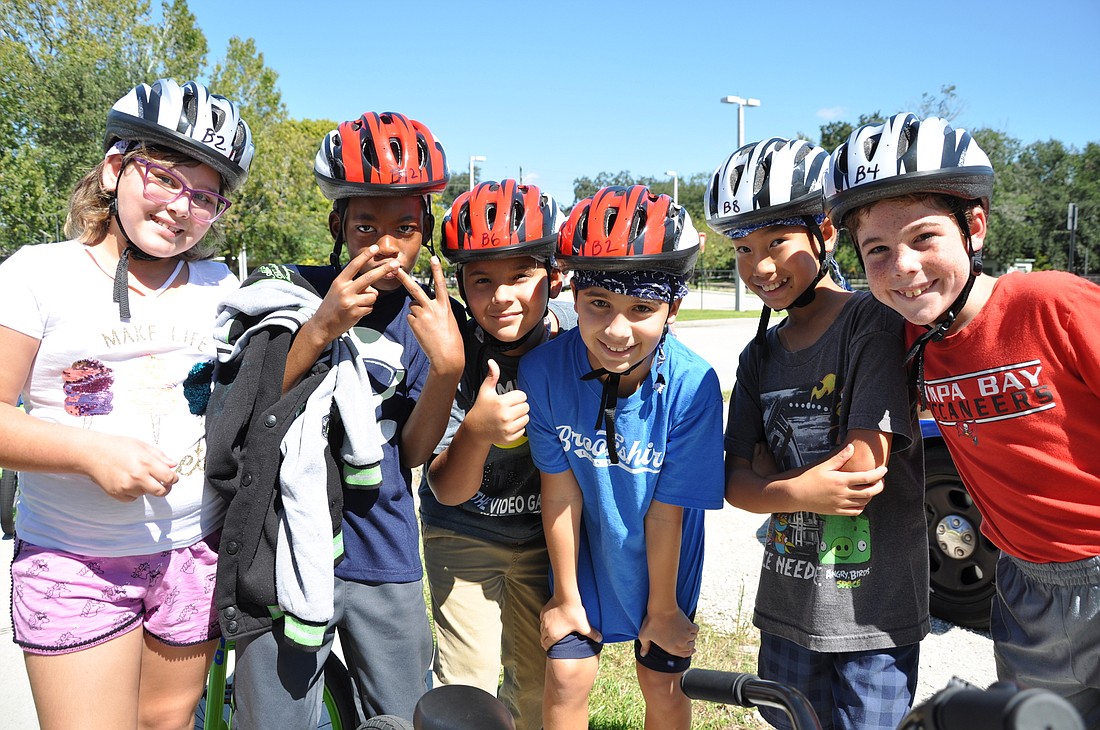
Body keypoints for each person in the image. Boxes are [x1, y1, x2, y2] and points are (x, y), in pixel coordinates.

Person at [824, 112, 1100, 726]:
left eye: (924, 237)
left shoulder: (1050, 303)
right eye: (877, 250)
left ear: (974, 227)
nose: (903, 266)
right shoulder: (912, 344)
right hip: (1024, 586)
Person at [0, 78, 253, 729]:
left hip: (193, 551)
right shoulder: (37, 275)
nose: (181, 207)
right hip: (73, 560)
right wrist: (88, 453)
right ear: (115, 169)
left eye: (206, 197)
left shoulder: (222, 286)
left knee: (166, 722)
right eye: (165, 178)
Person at [210, 111, 464, 728]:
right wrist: (323, 325)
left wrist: (448, 368)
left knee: (403, 715)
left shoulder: (433, 315)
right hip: (284, 551)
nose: (385, 244)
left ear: (426, 230)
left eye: (405, 227)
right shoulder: (294, 292)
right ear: (337, 225)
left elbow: (412, 453)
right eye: (365, 226)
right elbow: (251, 413)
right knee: (276, 718)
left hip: (385, 550)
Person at [707, 137, 929, 730]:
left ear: (825, 233)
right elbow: (732, 482)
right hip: (789, 604)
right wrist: (797, 489)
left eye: (777, 242)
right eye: (743, 248)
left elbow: (859, 473)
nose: (760, 266)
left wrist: (773, 484)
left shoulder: (871, 322)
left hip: (872, 614)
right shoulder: (758, 356)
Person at [518, 185, 725, 730]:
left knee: (662, 681)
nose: (616, 330)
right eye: (599, 304)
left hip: (666, 551)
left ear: (673, 308)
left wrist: (663, 609)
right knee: (566, 676)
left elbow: (667, 511)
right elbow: (559, 491)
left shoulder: (694, 385)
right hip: (585, 546)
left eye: (642, 309)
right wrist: (566, 597)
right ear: (574, 294)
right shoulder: (542, 371)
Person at [421, 179, 575, 730]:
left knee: (535, 688)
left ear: (553, 277)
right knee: (466, 687)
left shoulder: (579, 339)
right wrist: (478, 430)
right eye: (482, 279)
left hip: (544, 542)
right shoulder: (453, 348)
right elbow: (447, 488)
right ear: (460, 284)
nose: (501, 296)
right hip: (462, 532)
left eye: (520, 275)